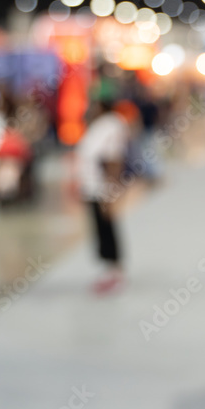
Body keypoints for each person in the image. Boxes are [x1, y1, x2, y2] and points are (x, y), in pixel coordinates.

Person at [77, 99, 129, 295]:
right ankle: (108, 269)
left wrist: (110, 192)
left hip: (103, 188)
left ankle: (115, 271)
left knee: (107, 227)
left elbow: (113, 159)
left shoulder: (111, 125)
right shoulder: (97, 126)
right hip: (92, 188)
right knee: (100, 228)